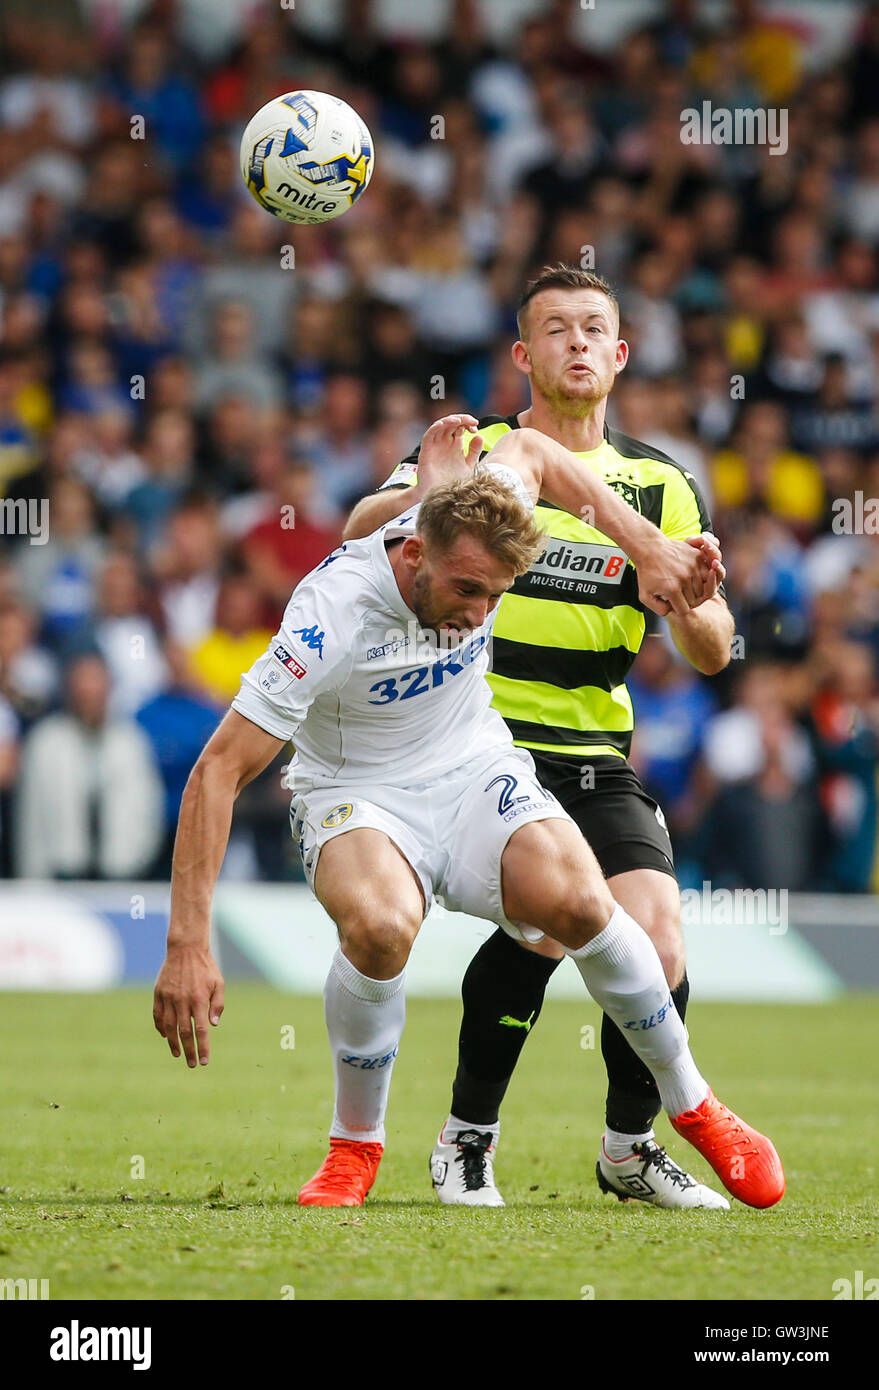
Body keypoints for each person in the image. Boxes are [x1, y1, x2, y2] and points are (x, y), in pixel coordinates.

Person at [153, 437, 784, 1214]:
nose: (478, 615)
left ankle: (694, 1105)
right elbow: (217, 770)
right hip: (357, 792)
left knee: (584, 905)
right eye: (465, 590)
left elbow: (532, 451)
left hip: (473, 767)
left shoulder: (483, 513)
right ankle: (354, 1147)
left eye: (496, 595)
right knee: (383, 926)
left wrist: (647, 548)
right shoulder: (330, 615)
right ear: (414, 550)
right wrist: (186, 943)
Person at [343, 265, 737, 1209]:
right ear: (523, 355)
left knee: (661, 940)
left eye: (591, 328)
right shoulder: (478, 450)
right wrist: (425, 499)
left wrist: (686, 601)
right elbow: (356, 529)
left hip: (596, 755)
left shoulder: (659, 483)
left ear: (618, 353)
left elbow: (715, 648)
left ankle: (627, 1150)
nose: (574, 342)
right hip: (480, 745)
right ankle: (465, 1140)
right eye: (553, 329)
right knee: (540, 927)